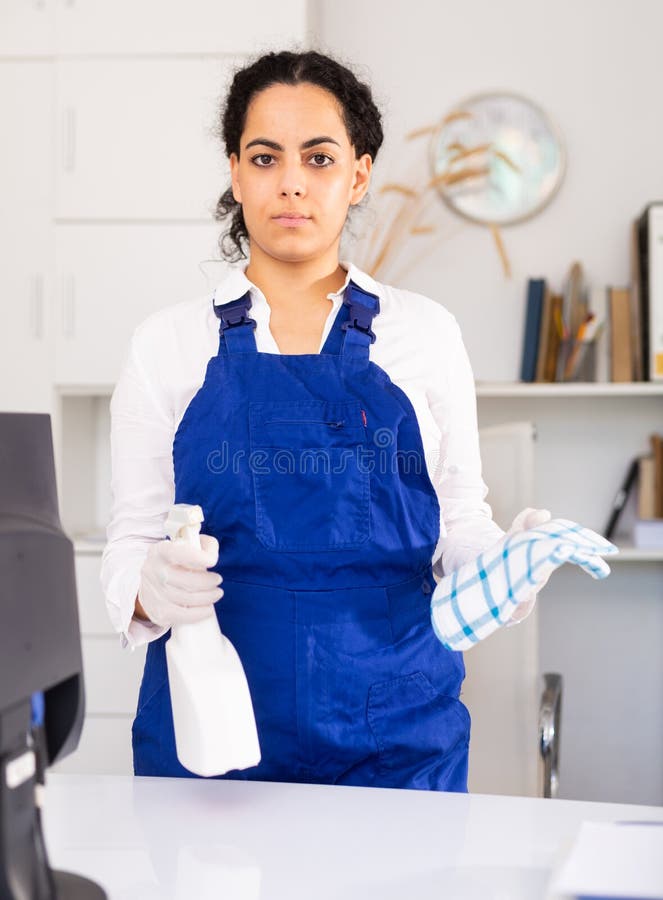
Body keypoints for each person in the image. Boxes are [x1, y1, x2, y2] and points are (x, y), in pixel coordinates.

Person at [99, 50, 555, 790]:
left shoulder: (425, 334)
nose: (291, 183)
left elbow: (457, 523)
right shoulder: (167, 345)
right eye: (264, 157)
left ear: (358, 174)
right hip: (215, 727)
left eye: (318, 157)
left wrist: (504, 568)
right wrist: (150, 586)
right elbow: (131, 541)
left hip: (399, 730)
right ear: (236, 173)